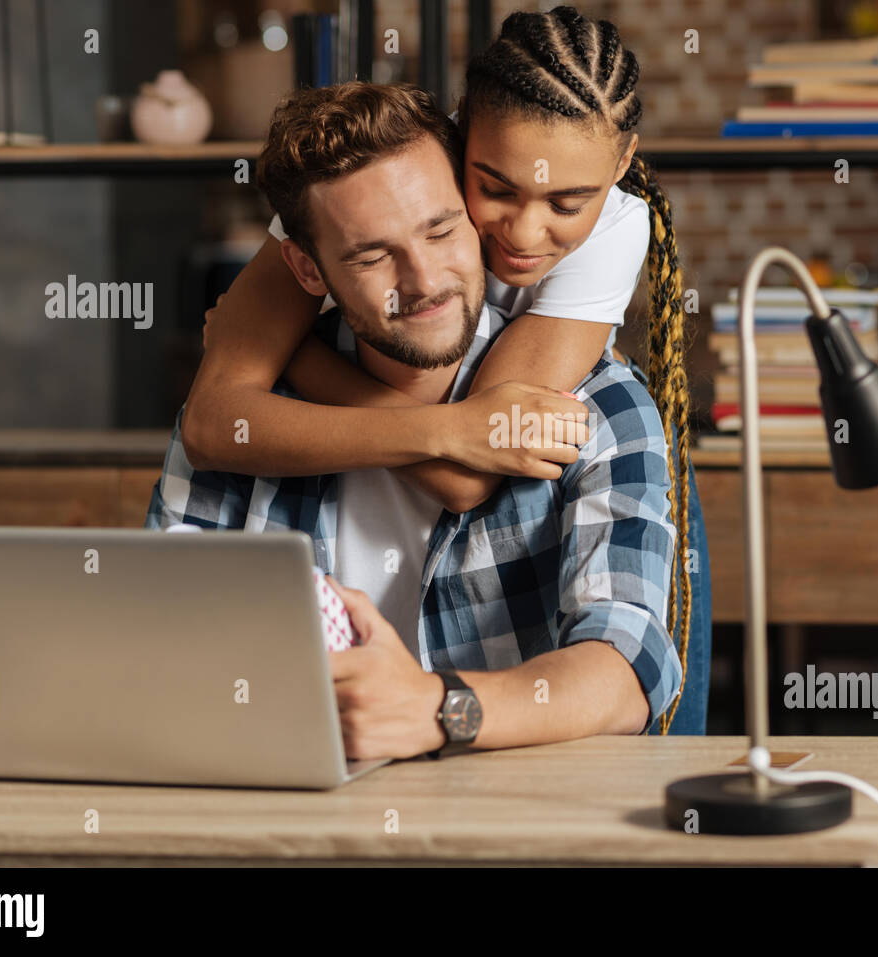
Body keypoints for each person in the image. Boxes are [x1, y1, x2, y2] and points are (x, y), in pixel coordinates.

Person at [184, 6, 705, 734]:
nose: (524, 235)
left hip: (551, 485)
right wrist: (450, 425)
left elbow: (471, 469)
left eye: (565, 201)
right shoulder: (371, 181)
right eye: (492, 189)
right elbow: (213, 423)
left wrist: (294, 360)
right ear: (460, 140)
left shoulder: (614, 257)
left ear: (619, 167)